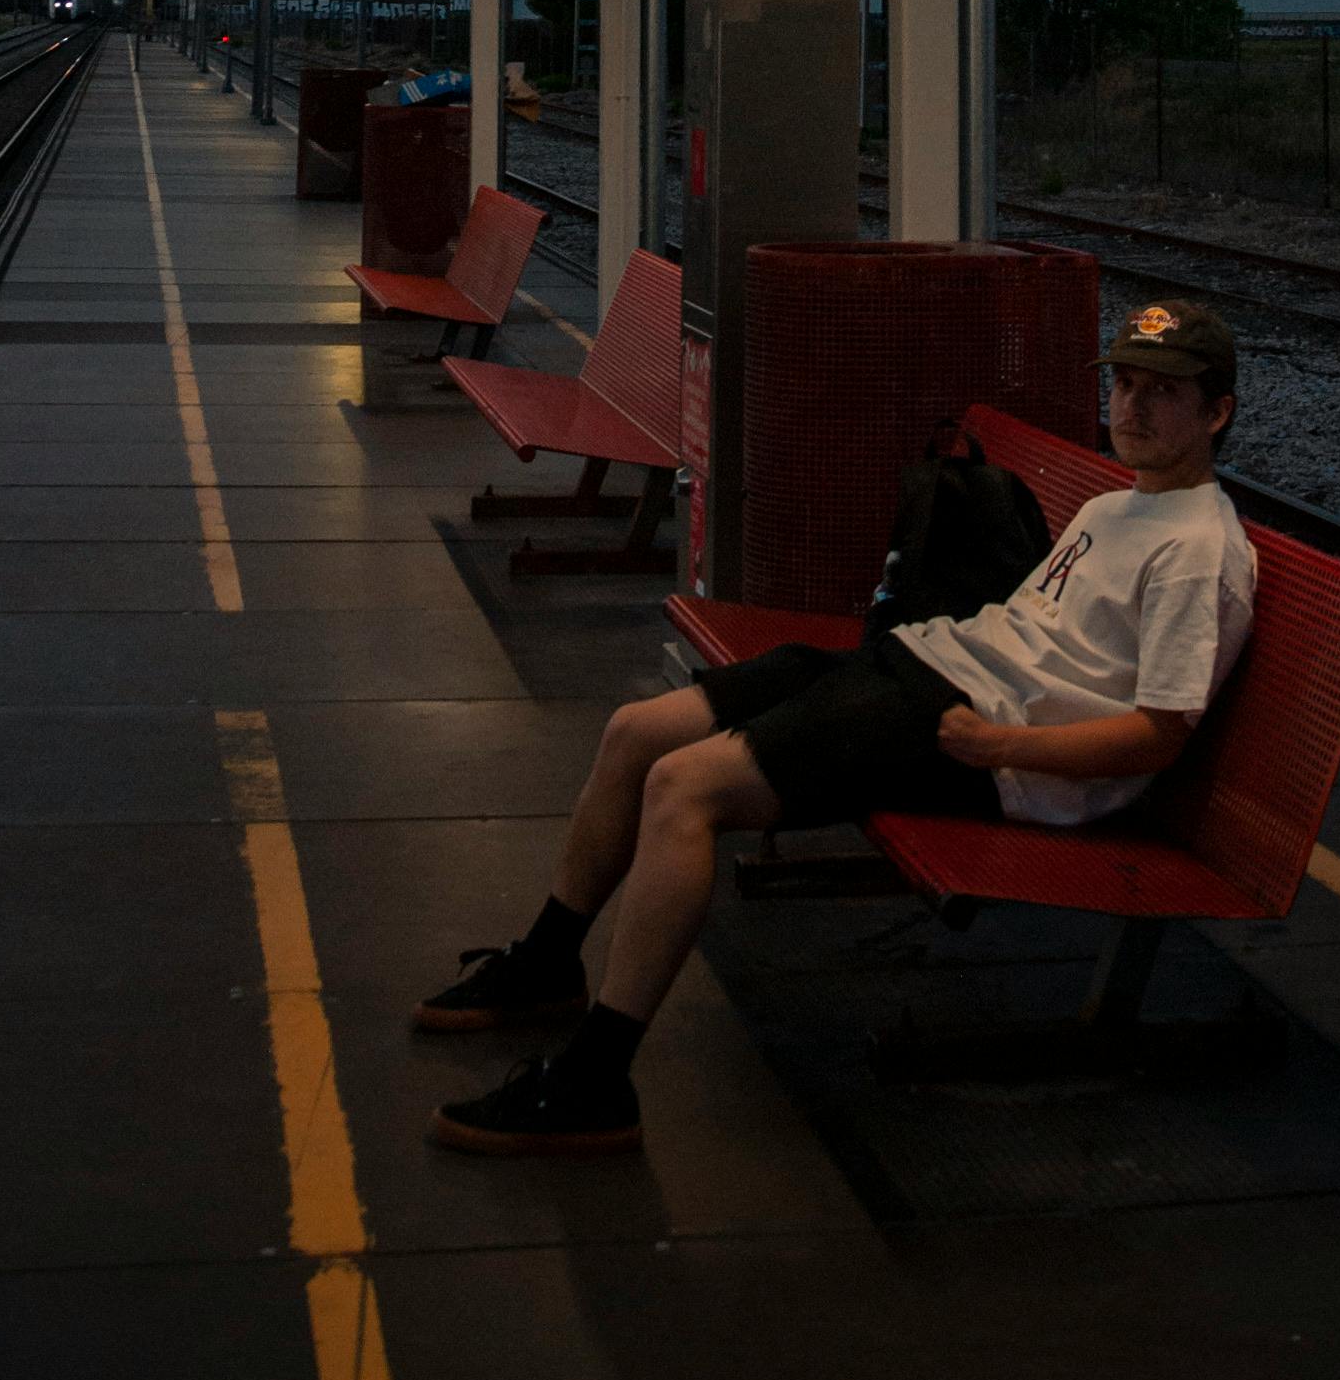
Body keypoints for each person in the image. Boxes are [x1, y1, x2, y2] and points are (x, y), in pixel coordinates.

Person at [415, 293, 1252, 1157]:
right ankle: (549, 961)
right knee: (638, 729)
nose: (1131, 407)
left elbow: (1159, 733)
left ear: (1215, 412)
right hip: (927, 670)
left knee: (681, 788)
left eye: (1162, 391)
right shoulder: (1119, 505)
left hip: (982, 740)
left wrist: (1002, 745)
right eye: (1123, 383)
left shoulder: (1198, 549)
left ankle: (596, 1082)